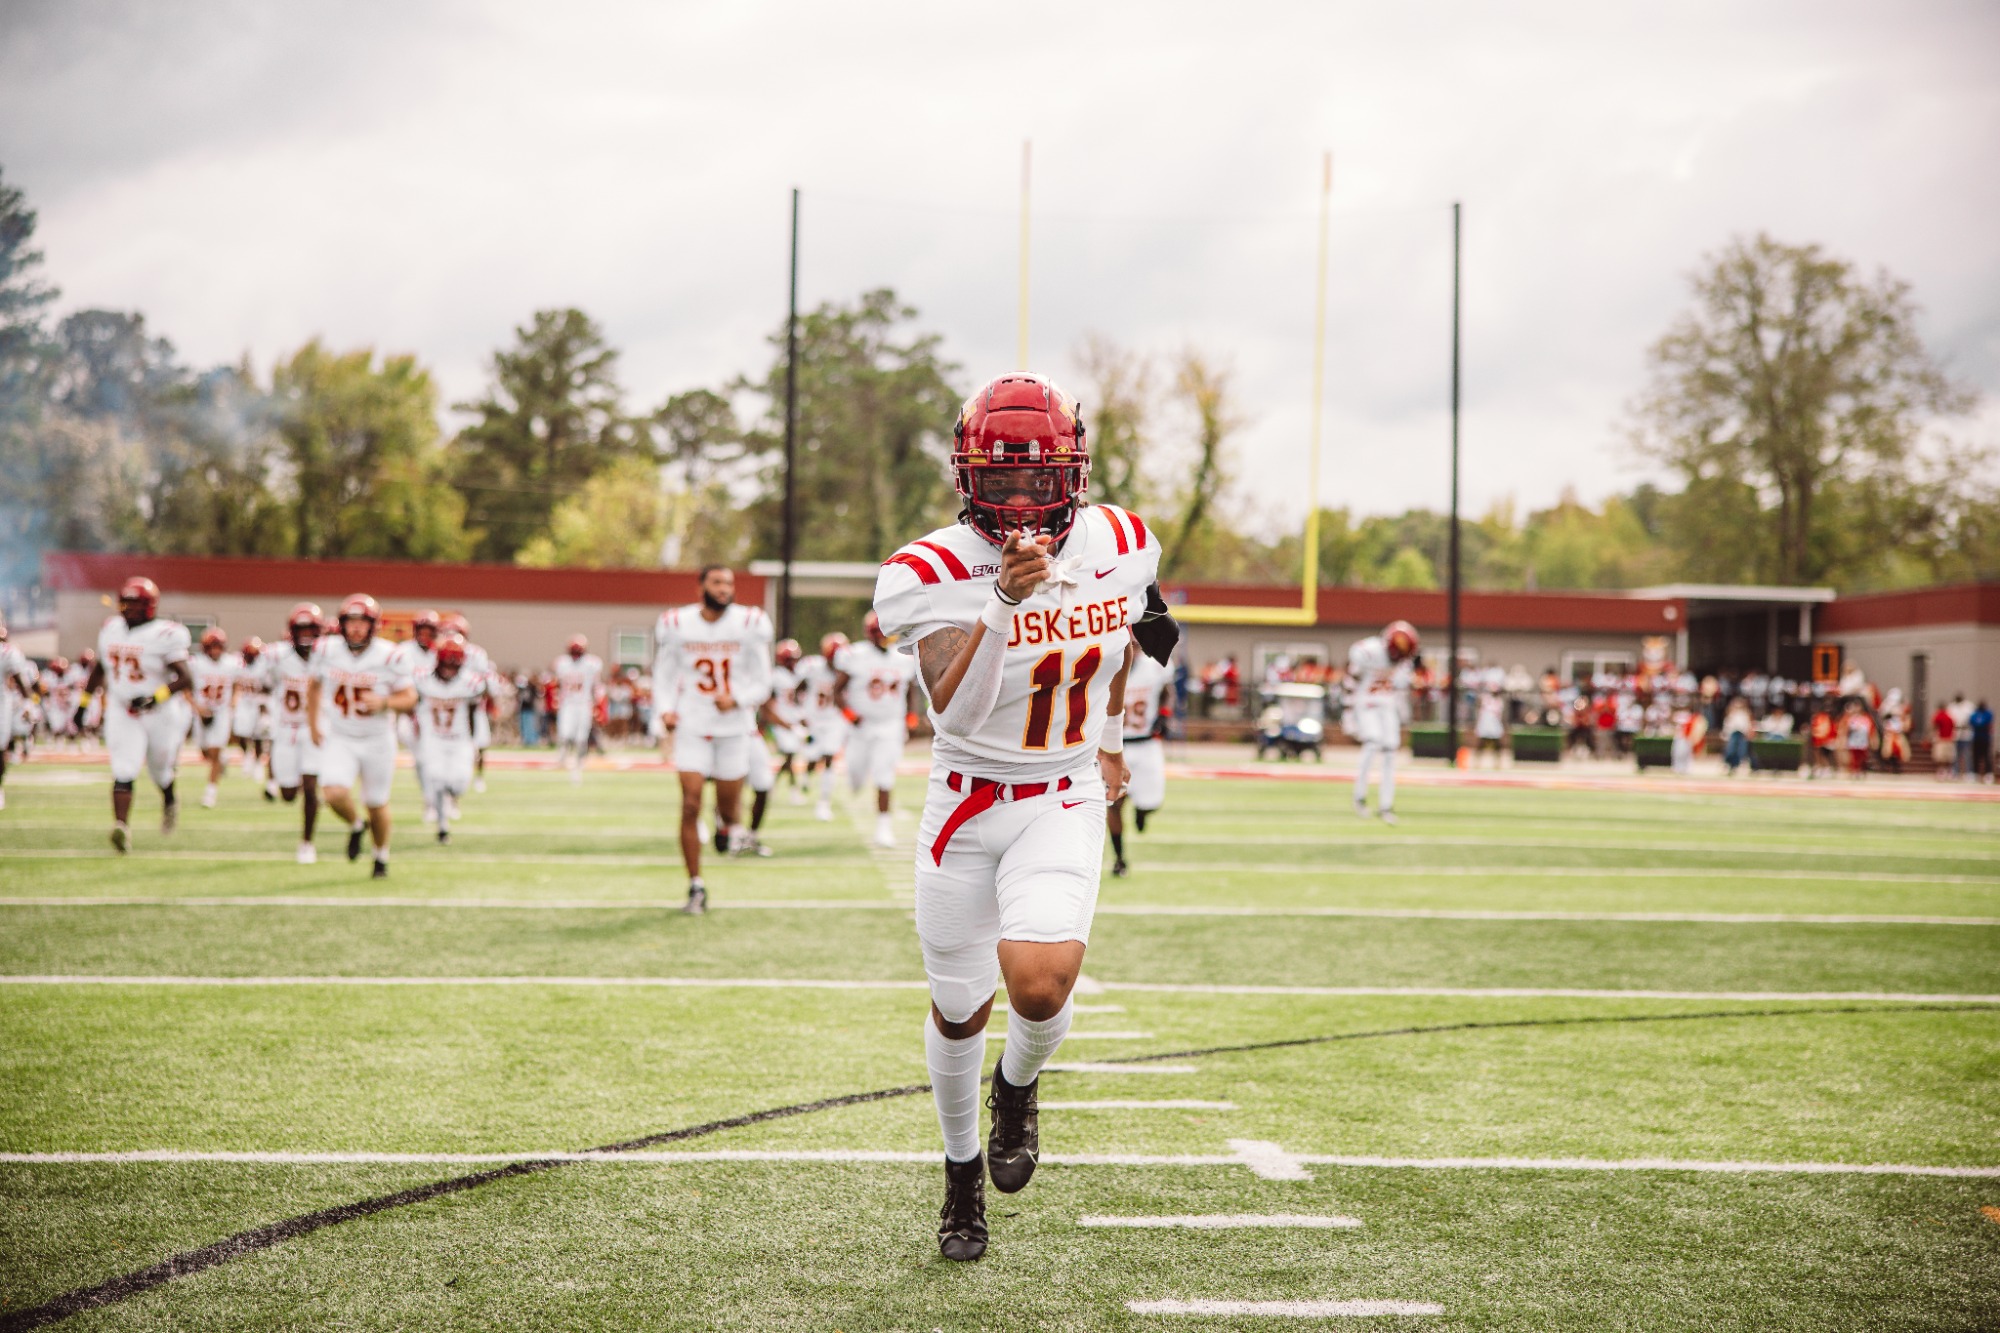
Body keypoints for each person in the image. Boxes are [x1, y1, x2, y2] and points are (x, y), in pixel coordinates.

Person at [873, 372, 1177, 1263]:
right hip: (966, 802)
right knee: (961, 1005)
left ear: (1072, 472)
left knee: (1040, 986)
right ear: (965, 477)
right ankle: (961, 1172)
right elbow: (956, 714)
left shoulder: (1122, 540)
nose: (1016, 500)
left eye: (1034, 479)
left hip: (1062, 792)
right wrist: (1003, 603)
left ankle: (1020, 1084)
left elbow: (1126, 638)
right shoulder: (924, 570)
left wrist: (1113, 735)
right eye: (997, 480)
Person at [653, 565, 774, 915]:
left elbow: (763, 683)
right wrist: (665, 709)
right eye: (717, 582)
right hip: (692, 724)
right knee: (690, 803)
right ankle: (696, 884)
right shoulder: (678, 624)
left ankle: (724, 826)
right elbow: (663, 674)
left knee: (728, 808)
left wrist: (736, 698)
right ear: (700, 587)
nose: (724, 589)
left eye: (729, 583)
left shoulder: (749, 623)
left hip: (734, 728)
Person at [79, 577, 195, 851]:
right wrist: (83, 704)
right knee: (124, 767)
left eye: (134, 604)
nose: (128, 609)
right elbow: (100, 668)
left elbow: (186, 679)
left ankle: (169, 798)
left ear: (148, 606)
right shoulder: (111, 629)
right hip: (122, 708)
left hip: (160, 713)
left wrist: (155, 697)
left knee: (160, 771)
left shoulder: (165, 634)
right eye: (125, 602)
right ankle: (122, 827)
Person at [307, 593, 416, 878]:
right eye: (350, 622)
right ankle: (356, 825)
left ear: (373, 625)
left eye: (362, 622)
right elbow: (314, 686)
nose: (355, 628)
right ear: (341, 624)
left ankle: (381, 855)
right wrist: (313, 724)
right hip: (341, 735)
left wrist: (385, 702)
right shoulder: (325, 649)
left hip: (377, 739)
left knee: (377, 804)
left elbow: (410, 698)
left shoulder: (390, 655)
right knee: (332, 792)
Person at [834, 611, 918, 848]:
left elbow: (911, 690)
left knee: (884, 774)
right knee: (856, 773)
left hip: (891, 725)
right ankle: (856, 780)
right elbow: (836, 691)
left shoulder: (902, 658)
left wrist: (910, 718)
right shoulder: (854, 655)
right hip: (862, 727)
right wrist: (851, 716)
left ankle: (883, 828)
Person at [264, 603, 325, 863]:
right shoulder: (277, 656)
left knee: (310, 788)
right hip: (286, 729)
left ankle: (307, 843)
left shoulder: (328, 656)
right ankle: (296, 782)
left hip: (313, 730)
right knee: (288, 794)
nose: (306, 634)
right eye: (301, 629)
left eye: (311, 628)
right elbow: (264, 684)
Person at [413, 634, 487, 845]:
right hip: (433, 738)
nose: (449, 669)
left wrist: (473, 741)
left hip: (459, 739)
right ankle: (442, 826)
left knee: (459, 785)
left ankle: (449, 801)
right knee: (436, 780)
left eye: (454, 664)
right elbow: (414, 706)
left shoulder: (470, 682)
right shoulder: (422, 678)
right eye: (446, 663)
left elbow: (474, 712)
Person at [1107, 645, 1172, 875]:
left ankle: (1141, 811)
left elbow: (1166, 689)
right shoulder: (1107, 664)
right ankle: (1120, 859)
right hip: (1116, 745)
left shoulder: (1153, 667)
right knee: (1113, 803)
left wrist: (1164, 715)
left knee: (1150, 803)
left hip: (1146, 744)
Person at [1348, 620, 1417, 824]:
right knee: (1373, 743)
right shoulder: (1368, 650)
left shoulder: (1402, 661)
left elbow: (1402, 683)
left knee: (1390, 750)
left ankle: (1386, 805)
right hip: (1368, 703)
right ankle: (1359, 796)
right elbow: (1353, 676)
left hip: (1387, 704)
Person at [798, 632, 850, 821]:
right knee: (812, 759)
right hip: (814, 720)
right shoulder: (812, 667)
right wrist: (801, 713)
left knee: (829, 756)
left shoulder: (847, 670)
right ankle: (804, 781)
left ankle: (823, 802)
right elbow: (799, 689)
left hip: (834, 720)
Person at [188, 628, 237, 808]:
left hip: (221, 712)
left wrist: (234, 701)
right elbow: (185, 685)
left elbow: (238, 683)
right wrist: (196, 707)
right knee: (205, 752)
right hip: (201, 712)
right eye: (212, 647)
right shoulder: (195, 663)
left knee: (215, 752)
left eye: (218, 647)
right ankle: (221, 761)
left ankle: (210, 793)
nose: (216, 651)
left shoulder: (232, 663)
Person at [0, 619, 40, 810]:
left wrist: (28, 704)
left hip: (2, 702)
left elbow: (22, 683)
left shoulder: (7, 652)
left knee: (1, 747)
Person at [554, 635, 603, 782]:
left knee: (581, 738)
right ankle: (562, 757)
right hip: (568, 704)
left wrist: (597, 704)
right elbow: (557, 683)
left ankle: (579, 762)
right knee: (565, 734)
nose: (576, 653)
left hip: (583, 704)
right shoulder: (562, 663)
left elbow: (597, 685)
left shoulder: (592, 663)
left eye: (578, 649)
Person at [230, 636, 270, 784]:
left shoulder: (264, 666)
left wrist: (264, 705)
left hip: (258, 703)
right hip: (243, 702)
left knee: (259, 735)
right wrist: (233, 702)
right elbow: (235, 684)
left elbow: (268, 687)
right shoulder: (238, 665)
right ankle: (247, 754)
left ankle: (258, 763)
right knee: (241, 733)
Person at [1474, 686, 1507, 768]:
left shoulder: (1499, 701)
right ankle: (1477, 761)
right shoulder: (1485, 699)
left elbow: (1499, 714)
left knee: (1496, 743)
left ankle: (1498, 762)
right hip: (1486, 722)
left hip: (1494, 723)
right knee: (1481, 742)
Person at [1841, 699, 1875, 779]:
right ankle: (1854, 771)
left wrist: (1871, 739)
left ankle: (1862, 771)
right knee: (1854, 757)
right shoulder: (1851, 718)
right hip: (1854, 740)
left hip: (1862, 740)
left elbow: (1869, 729)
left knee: (1863, 757)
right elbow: (1847, 729)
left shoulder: (1865, 718)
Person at [1722, 696, 1754, 776]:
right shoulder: (1731, 714)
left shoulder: (1745, 714)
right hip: (1733, 734)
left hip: (1741, 734)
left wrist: (1748, 733)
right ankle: (1730, 766)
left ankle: (1736, 767)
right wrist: (1725, 735)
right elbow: (1727, 726)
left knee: (1741, 752)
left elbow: (1747, 725)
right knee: (1730, 751)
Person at [1931, 700, 1956, 779]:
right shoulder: (1949, 716)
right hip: (1949, 738)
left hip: (1941, 739)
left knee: (1941, 757)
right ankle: (1948, 772)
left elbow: (1934, 726)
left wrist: (1934, 735)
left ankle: (1942, 772)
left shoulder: (1939, 716)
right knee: (1948, 757)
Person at [1972, 699, 1995, 782]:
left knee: (1986, 756)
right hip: (1976, 738)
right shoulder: (1975, 713)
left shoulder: (1988, 713)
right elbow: (1973, 722)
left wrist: (1980, 724)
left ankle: (1988, 773)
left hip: (1985, 738)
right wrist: (1980, 724)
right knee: (1976, 756)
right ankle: (1975, 773)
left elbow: (1987, 723)